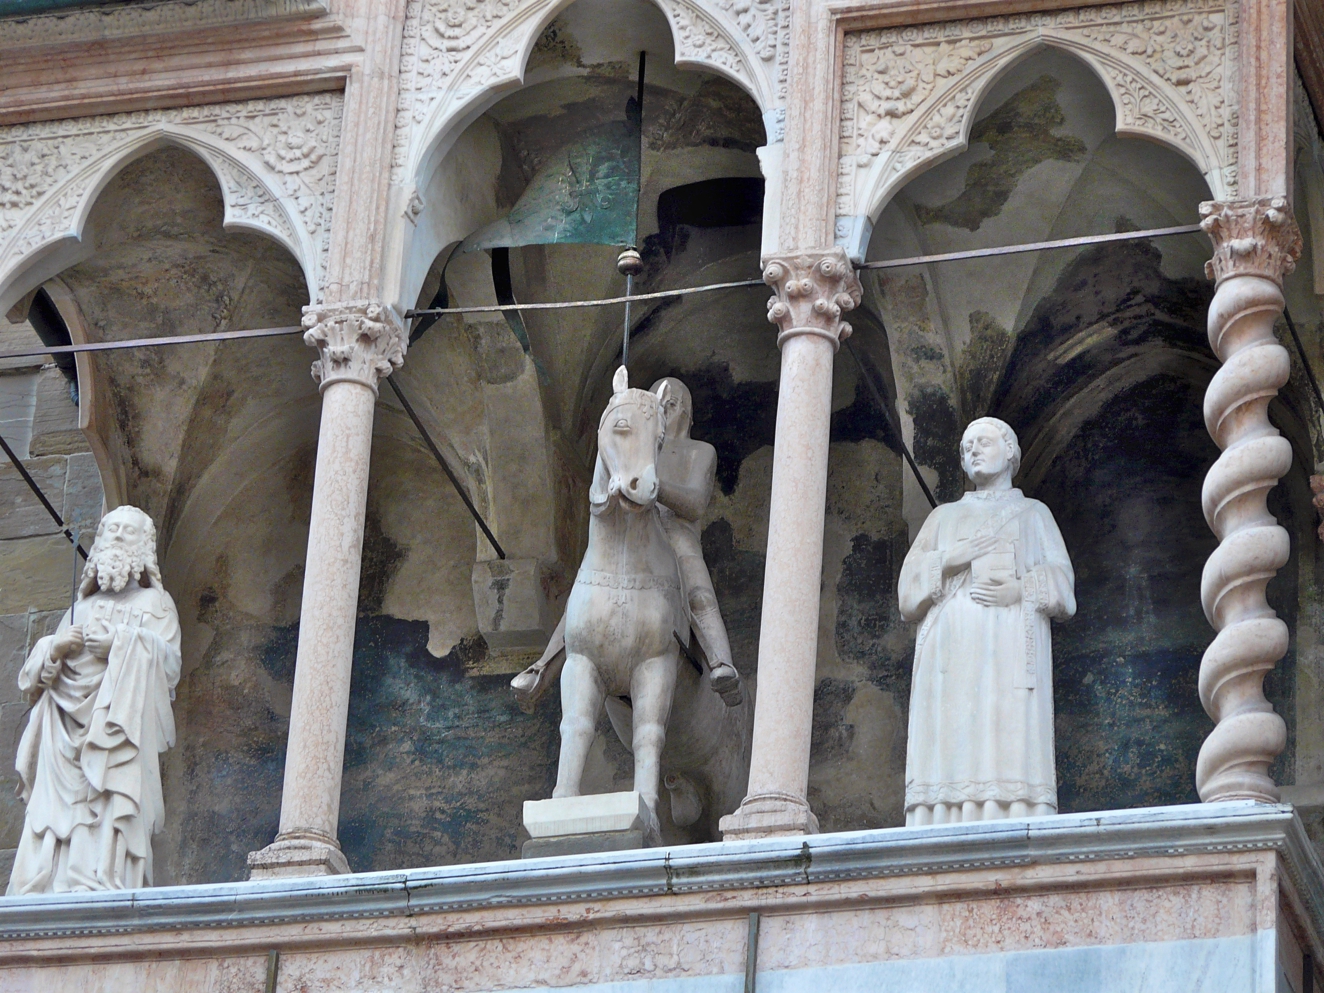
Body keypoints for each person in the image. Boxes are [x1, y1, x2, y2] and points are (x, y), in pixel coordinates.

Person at [512, 376, 741, 709]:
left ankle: (721, 663)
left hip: (675, 532)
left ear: (690, 417)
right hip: (634, 526)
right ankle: (542, 668)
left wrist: (655, 488)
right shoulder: (642, 441)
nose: (668, 406)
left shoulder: (700, 452)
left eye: (677, 404)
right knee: (586, 587)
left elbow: (695, 504)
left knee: (698, 591)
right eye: (662, 400)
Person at [898, 417, 1074, 826]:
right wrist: (951, 558)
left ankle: (1011, 812)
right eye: (967, 446)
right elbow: (908, 592)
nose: (973, 450)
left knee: (1005, 733)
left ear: (1010, 451)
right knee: (951, 731)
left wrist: (1020, 591)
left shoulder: (1034, 514)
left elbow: (1063, 588)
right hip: (949, 655)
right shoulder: (943, 518)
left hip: (1009, 648)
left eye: (984, 442)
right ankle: (938, 816)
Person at [7, 506, 181, 894]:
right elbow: (33, 680)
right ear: (99, 542)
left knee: (108, 801)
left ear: (143, 549)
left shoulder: (156, 606)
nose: (118, 536)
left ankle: (103, 877)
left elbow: (170, 666)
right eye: (111, 529)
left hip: (117, 732)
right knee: (52, 818)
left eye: (128, 532)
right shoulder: (79, 609)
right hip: (61, 735)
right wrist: (54, 647)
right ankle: (47, 882)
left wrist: (119, 644)